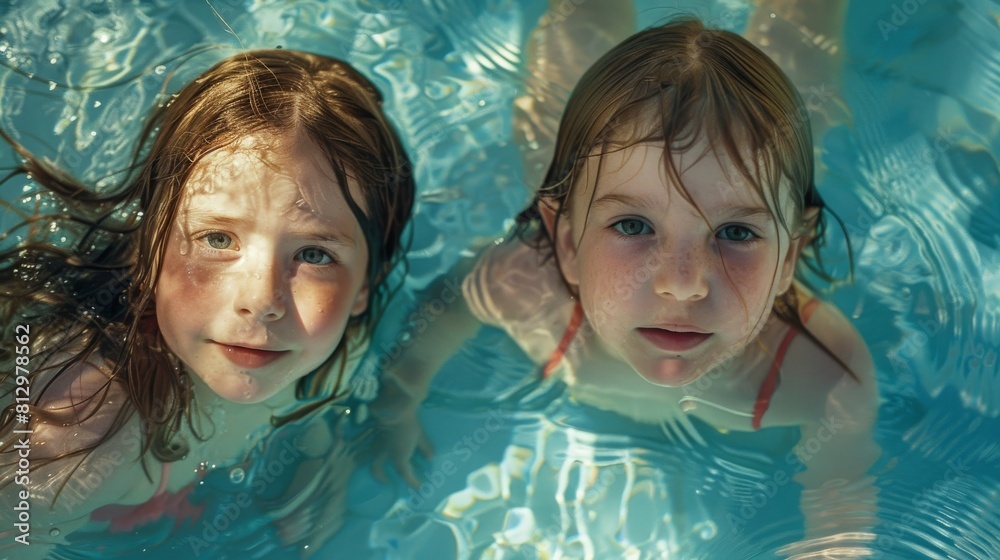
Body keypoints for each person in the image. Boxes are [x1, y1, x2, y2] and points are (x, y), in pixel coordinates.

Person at [371, 16, 880, 555]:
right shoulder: (524, 286)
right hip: (568, 178)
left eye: (735, 232)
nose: (682, 284)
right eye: (634, 226)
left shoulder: (823, 375)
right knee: (560, 101)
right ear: (565, 246)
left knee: (803, 63)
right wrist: (396, 404)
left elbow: (839, 497)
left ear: (788, 262)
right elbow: (445, 311)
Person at [0, 49, 414, 558]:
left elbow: (307, 405)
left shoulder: (332, 340)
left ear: (365, 288)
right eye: (218, 239)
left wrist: (320, 458)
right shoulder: (82, 430)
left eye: (313, 254)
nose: (262, 301)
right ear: (150, 248)